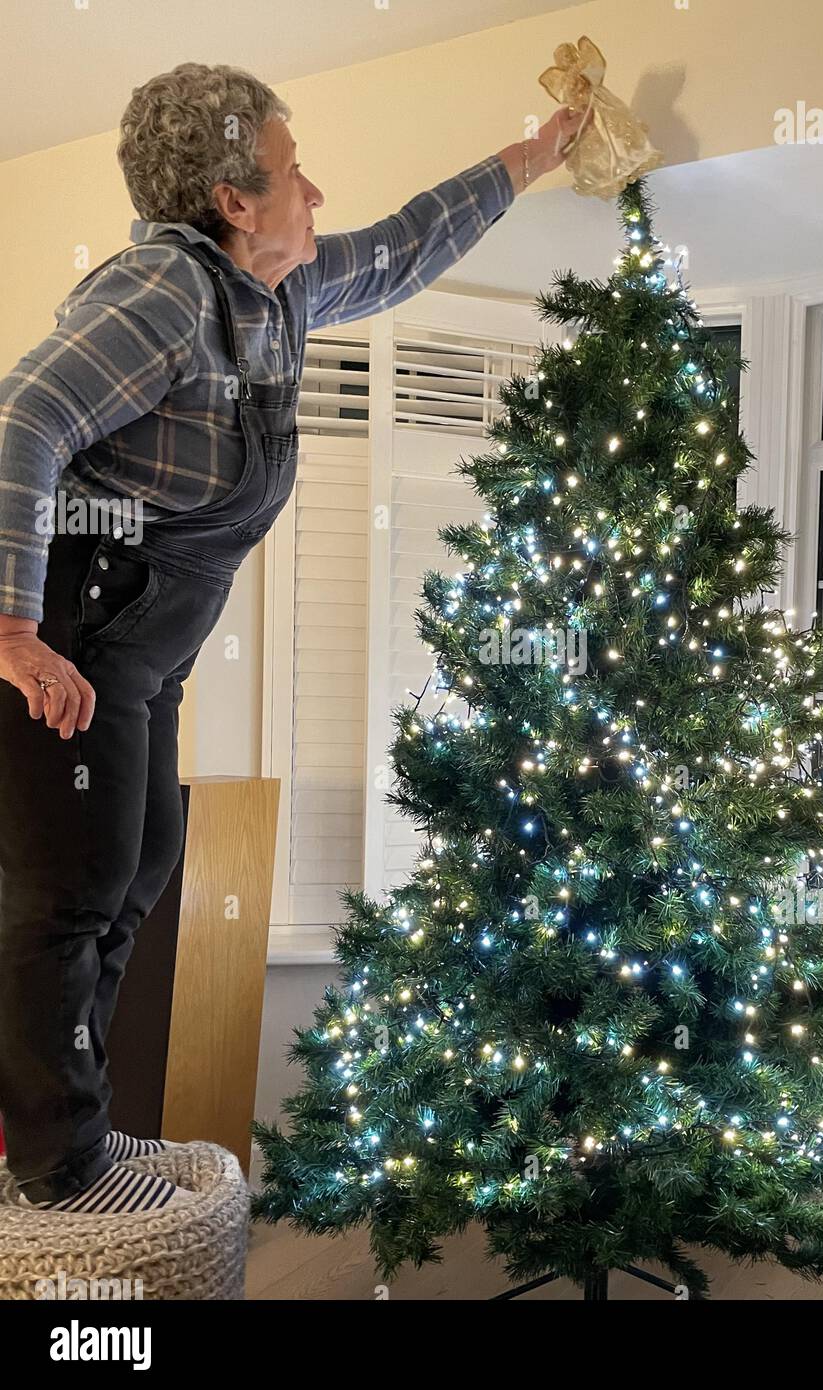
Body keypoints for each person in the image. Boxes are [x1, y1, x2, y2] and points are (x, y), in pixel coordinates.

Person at [0, 62, 583, 1214]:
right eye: (291, 169)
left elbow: (407, 244)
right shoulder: (163, 291)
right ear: (233, 199)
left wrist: (533, 155)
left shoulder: (281, 293)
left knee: (141, 867)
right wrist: (13, 626)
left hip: (145, 645)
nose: (314, 191)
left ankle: (69, 1130)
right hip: (76, 626)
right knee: (69, 891)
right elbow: (24, 419)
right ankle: (57, 1168)